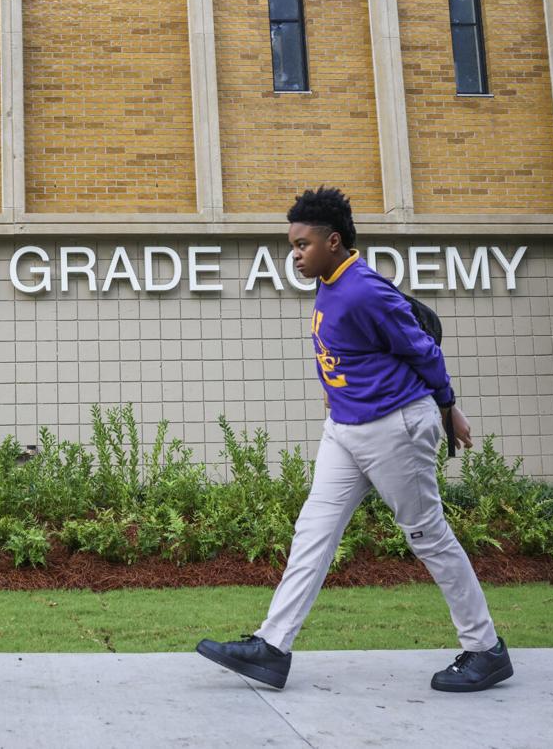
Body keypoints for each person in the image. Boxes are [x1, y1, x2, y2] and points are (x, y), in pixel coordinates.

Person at [196, 186, 513, 693]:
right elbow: (343, 352)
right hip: (345, 430)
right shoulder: (330, 284)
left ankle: (485, 649)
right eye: (292, 245)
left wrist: (449, 408)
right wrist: (333, 390)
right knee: (313, 532)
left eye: (302, 245)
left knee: (427, 535)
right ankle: (272, 647)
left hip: (395, 427)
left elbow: (424, 349)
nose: (294, 255)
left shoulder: (365, 289)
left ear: (334, 241)